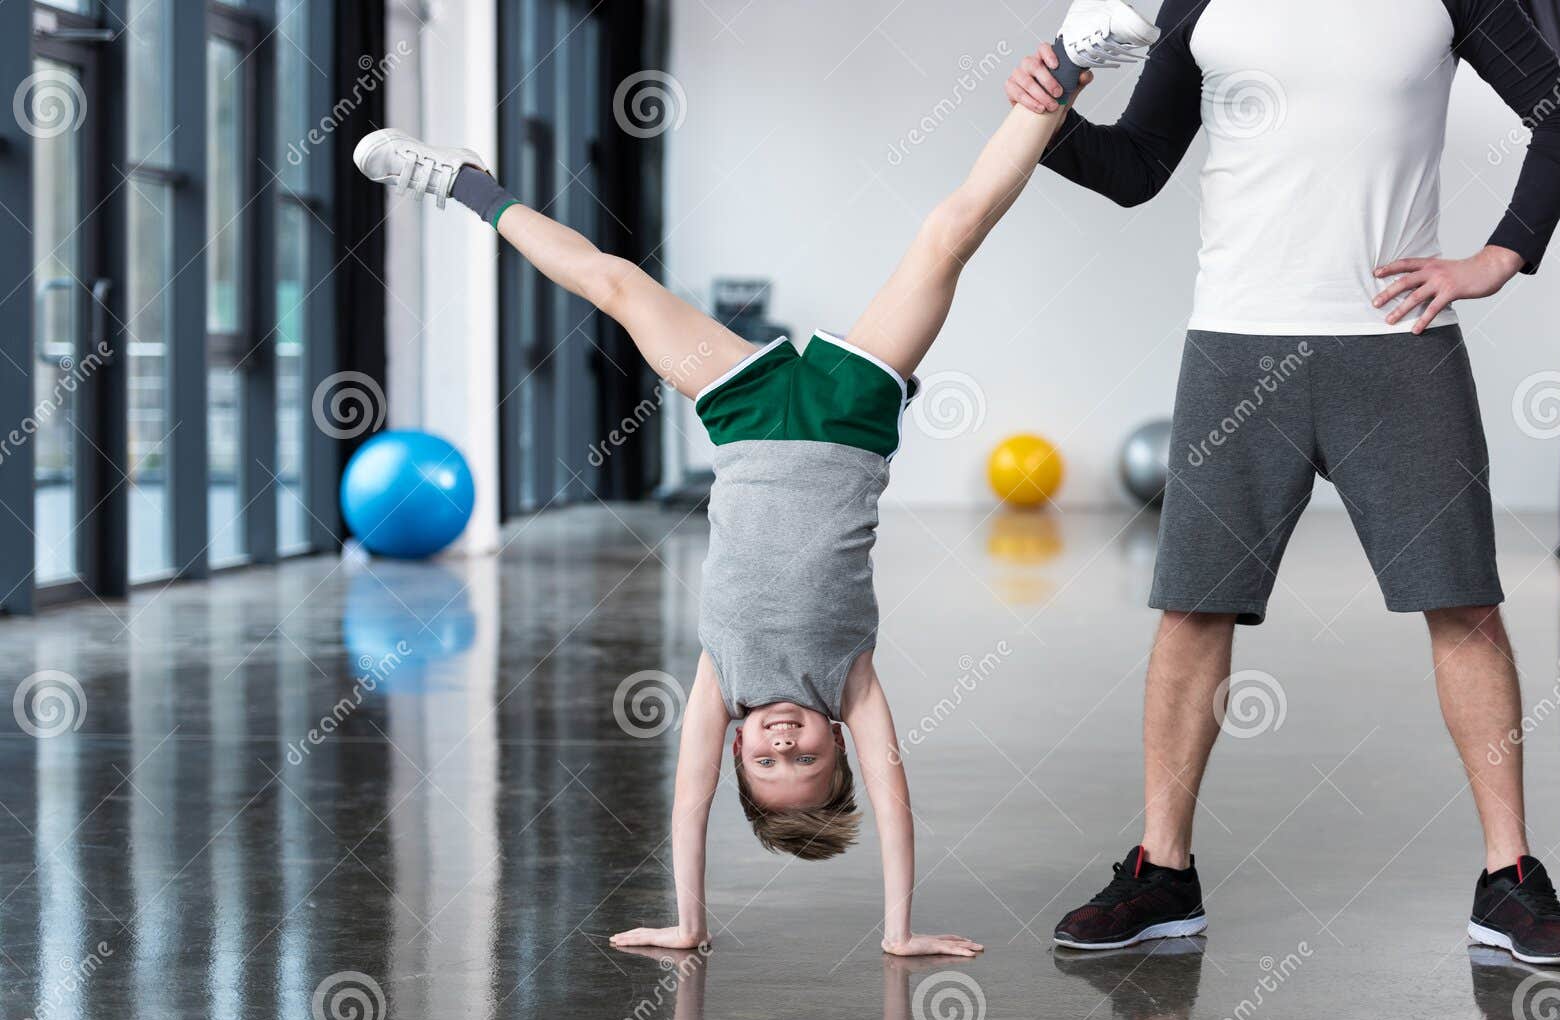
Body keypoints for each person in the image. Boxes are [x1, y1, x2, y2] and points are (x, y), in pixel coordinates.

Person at [354, 2, 1159, 957]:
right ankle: (1069, 61)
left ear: (739, 754)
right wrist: (899, 932)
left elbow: (687, 804)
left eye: (769, 760)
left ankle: (462, 183)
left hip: (744, 419)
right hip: (854, 421)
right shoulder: (849, 683)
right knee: (949, 233)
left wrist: (691, 922)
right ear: (836, 748)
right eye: (807, 757)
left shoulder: (718, 685)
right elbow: (895, 801)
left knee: (612, 283)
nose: (783, 741)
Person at [1006, 0, 1560, 965]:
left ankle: (1510, 880)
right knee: (1192, 610)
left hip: (1401, 348)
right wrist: (1053, 121)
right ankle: (1162, 873)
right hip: (1237, 346)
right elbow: (1138, 168)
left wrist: (1503, 256)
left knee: (1465, 605)